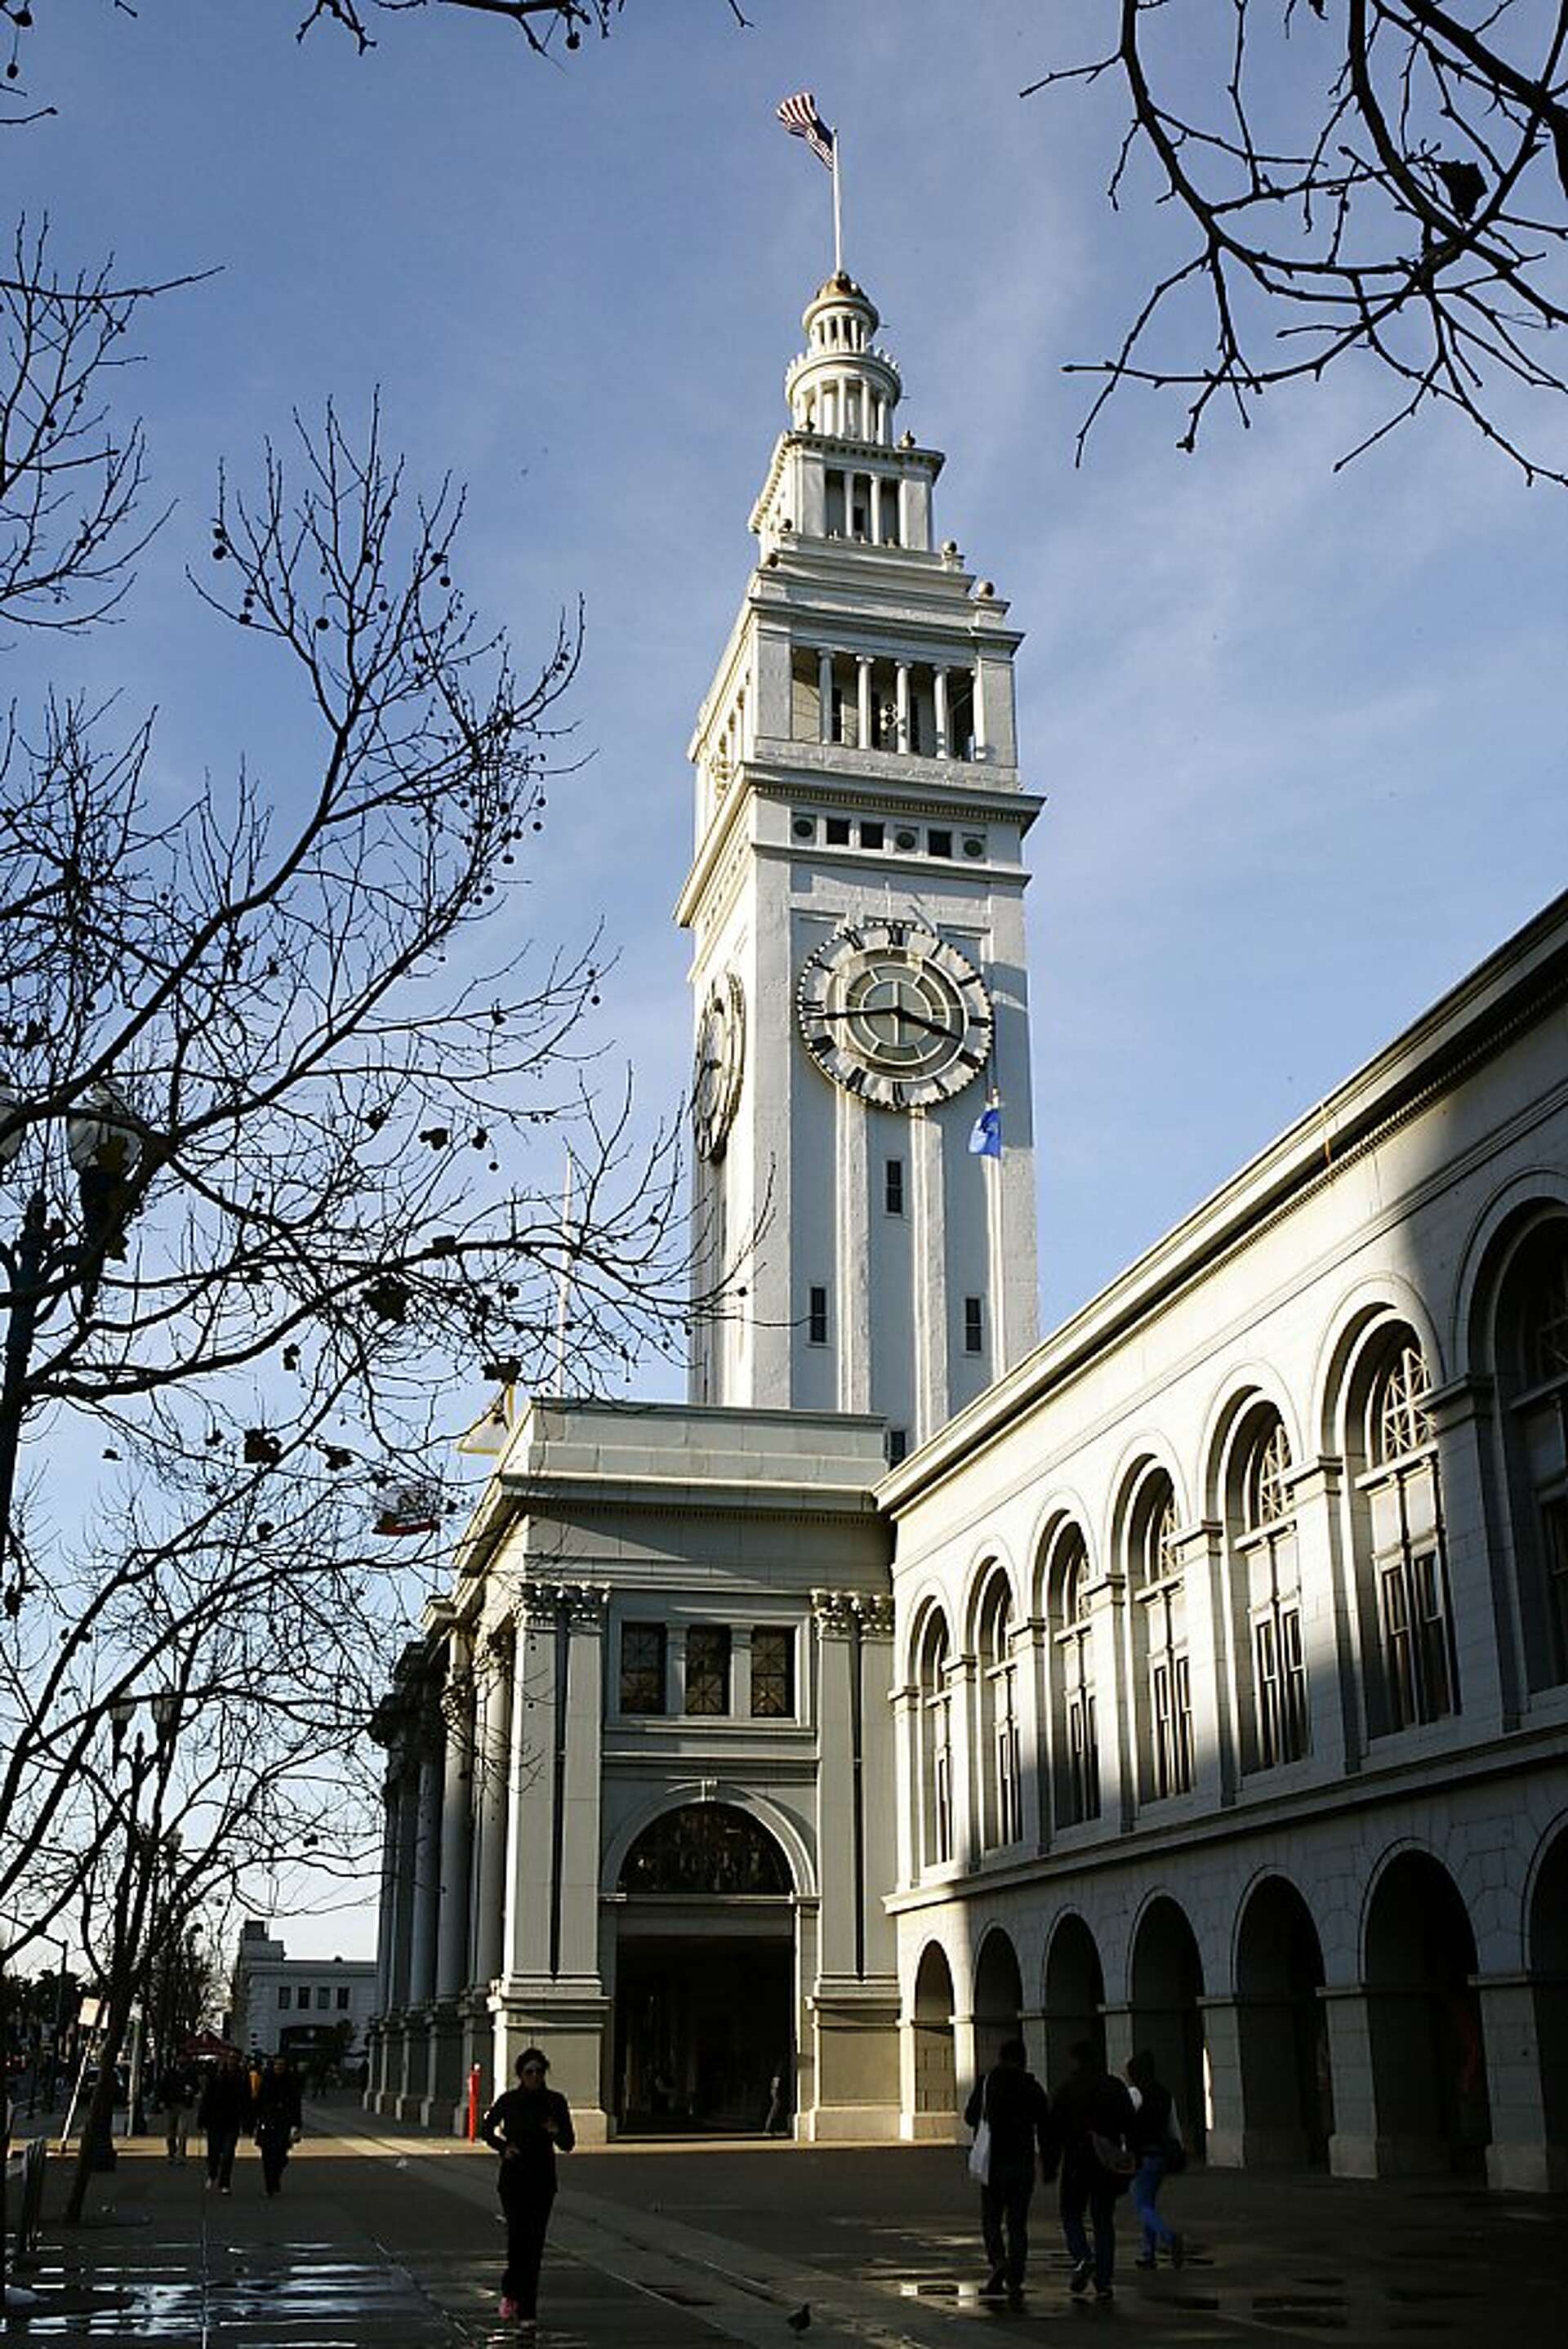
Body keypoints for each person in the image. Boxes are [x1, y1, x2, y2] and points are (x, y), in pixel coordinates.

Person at [479, 2047, 575, 2333]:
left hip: (543, 2181)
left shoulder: (555, 2102)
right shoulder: (510, 2101)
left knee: (534, 2246)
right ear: (520, 2074)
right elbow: (487, 2128)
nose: (534, 2077)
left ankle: (527, 2310)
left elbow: (569, 2143)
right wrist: (502, 2147)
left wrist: (555, 2130)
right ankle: (511, 2291)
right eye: (529, 2072)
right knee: (518, 2241)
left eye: (539, 2072)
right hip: (513, 2180)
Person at [1045, 2040, 1138, 2304]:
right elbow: (1130, 2124)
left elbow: (1053, 2130)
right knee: (1103, 2221)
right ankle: (1104, 2281)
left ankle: (1083, 2257)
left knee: (1071, 2214)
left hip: (1076, 2160)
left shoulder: (1068, 2089)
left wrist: (1051, 2166)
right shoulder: (1114, 2086)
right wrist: (1130, 2158)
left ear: (1075, 2060)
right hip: (1106, 2161)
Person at [963, 2036, 1052, 2310]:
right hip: (1022, 2162)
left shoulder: (988, 2083)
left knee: (991, 2218)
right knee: (1017, 2223)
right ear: (1022, 2059)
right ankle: (1016, 2275)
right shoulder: (1031, 2085)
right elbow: (1045, 2123)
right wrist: (1049, 2161)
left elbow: (969, 2116)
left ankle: (998, 2261)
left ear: (1001, 2057)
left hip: (994, 2162)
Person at [1125, 2049, 1185, 2270]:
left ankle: (1168, 2238)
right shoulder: (1164, 2093)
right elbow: (1173, 2127)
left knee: (1142, 2204)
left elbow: (1125, 2124)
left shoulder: (1134, 2094)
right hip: (1162, 2155)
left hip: (1142, 2156)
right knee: (1148, 2204)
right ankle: (1148, 2253)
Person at [198, 2050, 252, 2194]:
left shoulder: (242, 2077)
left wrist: (248, 2123)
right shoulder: (216, 2075)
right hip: (214, 2120)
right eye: (230, 2058)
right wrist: (202, 2120)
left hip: (232, 2120)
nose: (232, 2061)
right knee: (214, 2153)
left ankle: (224, 2183)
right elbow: (207, 2099)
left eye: (235, 2058)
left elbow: (247, 2101)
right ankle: (212, 2173)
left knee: (228, 2154)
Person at [253, 2054, 303, 2197]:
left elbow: (296, 2105)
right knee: (267, 2156)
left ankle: (275, 2178)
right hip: (267, 2123)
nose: (279, 2067)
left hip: (284, 2124)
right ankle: (269, 2185)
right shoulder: (266, 2081)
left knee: (281, 2156)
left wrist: (296, 2124)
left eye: (281, 2065)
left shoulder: (291, 2083)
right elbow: (258, 2102)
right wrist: (254, 2121)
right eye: (276, 2064)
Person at [157, 2056, 198, 2164]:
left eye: (183, 2058)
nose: (181, 2060)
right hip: (171, 2104)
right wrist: (162, 2100)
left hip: (185, 2104)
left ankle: (181, 2155)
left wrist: (192, 2090)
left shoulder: (191, 2073)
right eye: (180, 2058)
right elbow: (163, 2086)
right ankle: (171, 2152)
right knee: (171, 2131)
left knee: (182, 2131)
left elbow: (196, 2086)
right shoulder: (170, 2072)